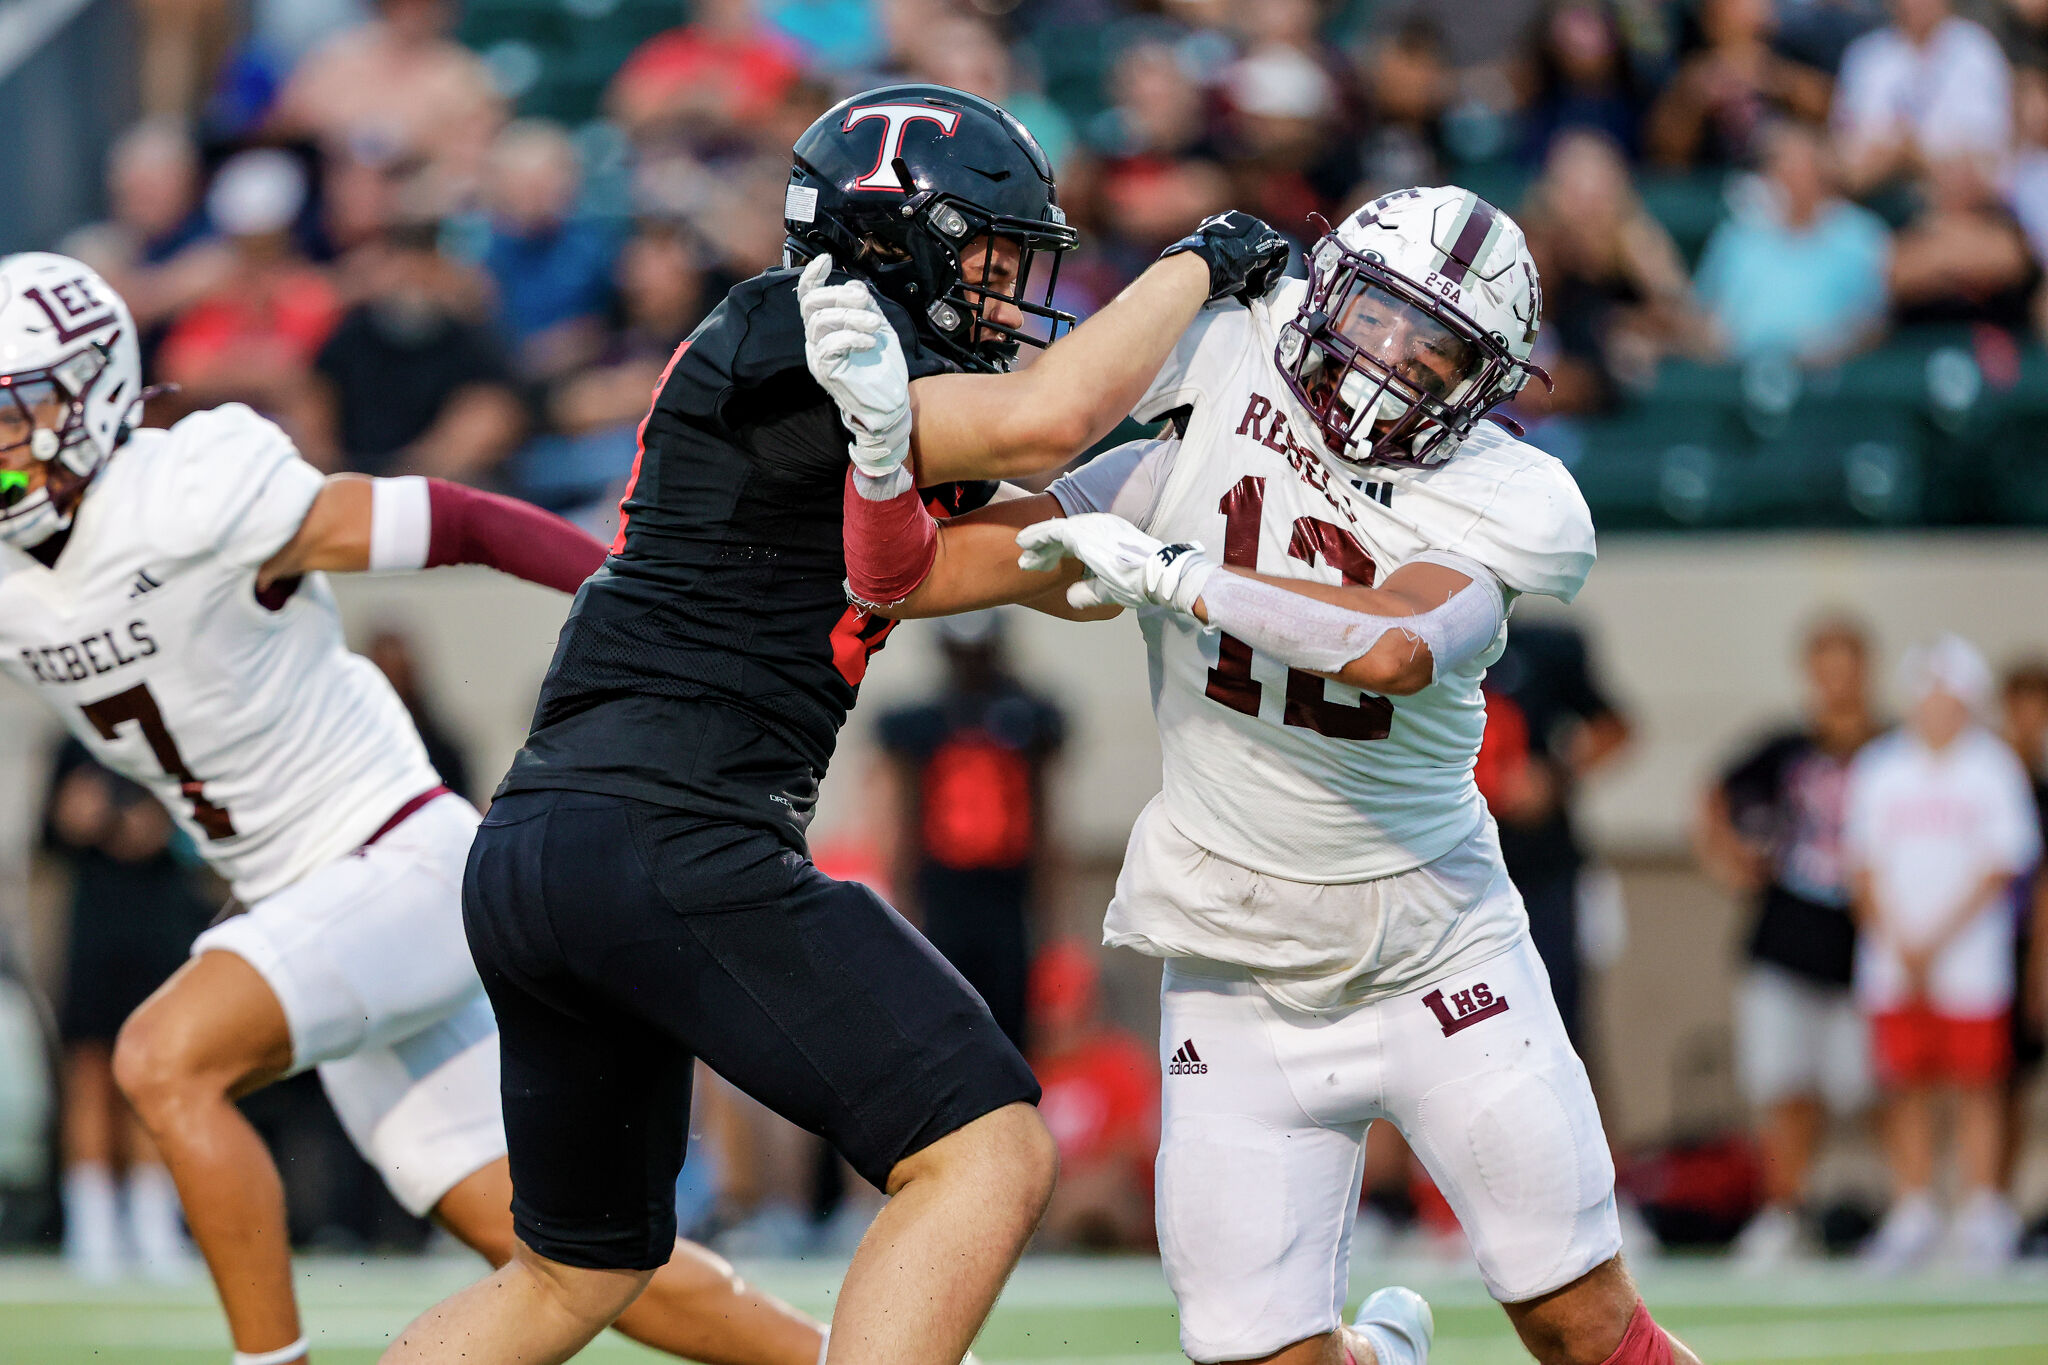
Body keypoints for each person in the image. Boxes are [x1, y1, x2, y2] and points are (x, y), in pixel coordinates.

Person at [378, 84, 1288, 1365]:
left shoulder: (841, 406)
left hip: (553, 844)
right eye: (980, 251)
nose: (998, 289)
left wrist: (1190, 489)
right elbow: (1043, 420)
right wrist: (1204, 260)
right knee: (984, 1148)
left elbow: (992, 564)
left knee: (571, 1275)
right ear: (887, 235)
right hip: (670, 827)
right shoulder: (795, 327)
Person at [821, 184, 1699, 1365]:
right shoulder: (1222, 374)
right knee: (1258, 1358)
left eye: (1434, 348)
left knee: (1579, 1325)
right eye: (1378, 317)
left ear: (1483, 384)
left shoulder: (1503, 495)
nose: (1390, 363)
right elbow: (912, 580)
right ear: (1323, 293)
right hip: (1232, 956)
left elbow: (1390, 645)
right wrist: (883, 459)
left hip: (1433, 946)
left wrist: (1179, 575)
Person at [0, 252, 826, 1365]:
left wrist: (644, 607)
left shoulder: (194, 496)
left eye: (18, 409)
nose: (3, 439)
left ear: (93, 395)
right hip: (309, 912)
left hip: (397, 865)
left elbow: (463, 519)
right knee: (570, 1261)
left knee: (162, 1057)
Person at [1845, 635, 2042, 1272]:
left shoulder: (1993, 768)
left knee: (1978, 1084)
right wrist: (1900, 939)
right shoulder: (1880, 766)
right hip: (1892, 958)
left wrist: (1934, 939)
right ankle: (1914, 1206)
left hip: (1969, 962)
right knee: (1904, 1083)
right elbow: (1863, 864)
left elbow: (2003, 865)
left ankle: (1982, 1209)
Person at [1695, 617, 1882, 1268]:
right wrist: (1729, 859)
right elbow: (1713, 793)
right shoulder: (1783, 746)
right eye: (1824, 668)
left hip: (1868, 948)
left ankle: (1894, 1205)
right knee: (1785, 1085)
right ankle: (1787, 1207)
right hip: (1784, 939)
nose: (1836, 682)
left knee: (1866, 1084)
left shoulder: (1892, 748)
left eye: (1847, 666)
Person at [44, 740, 213, 1282]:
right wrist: (75, 816)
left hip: (162, 919)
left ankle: (153, 1220)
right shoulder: (74, 745)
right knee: (90, 1069)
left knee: (155, 1070)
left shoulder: (173, 736)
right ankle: (91, 1225)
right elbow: (49, 838)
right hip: (97, 922)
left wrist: (163, 827)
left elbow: (207, 834)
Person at [875, 610, 1066, 1049]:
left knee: (1012, 1029)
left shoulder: (1027, 721)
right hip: (942, 895)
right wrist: (902, 912)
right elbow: (903, 825)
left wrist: (1056, 925)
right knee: (946, 1024)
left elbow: (1045, 826)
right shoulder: (917, 726)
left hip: (1007, 897)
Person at [1027, 940, 1157, 1251]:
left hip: (1112, 1200)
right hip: (1052, 1200)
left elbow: (1131, 1152)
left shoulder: (1121, 1062)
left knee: (1101, 1204)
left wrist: (1075, 1192)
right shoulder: (1032, 1071)